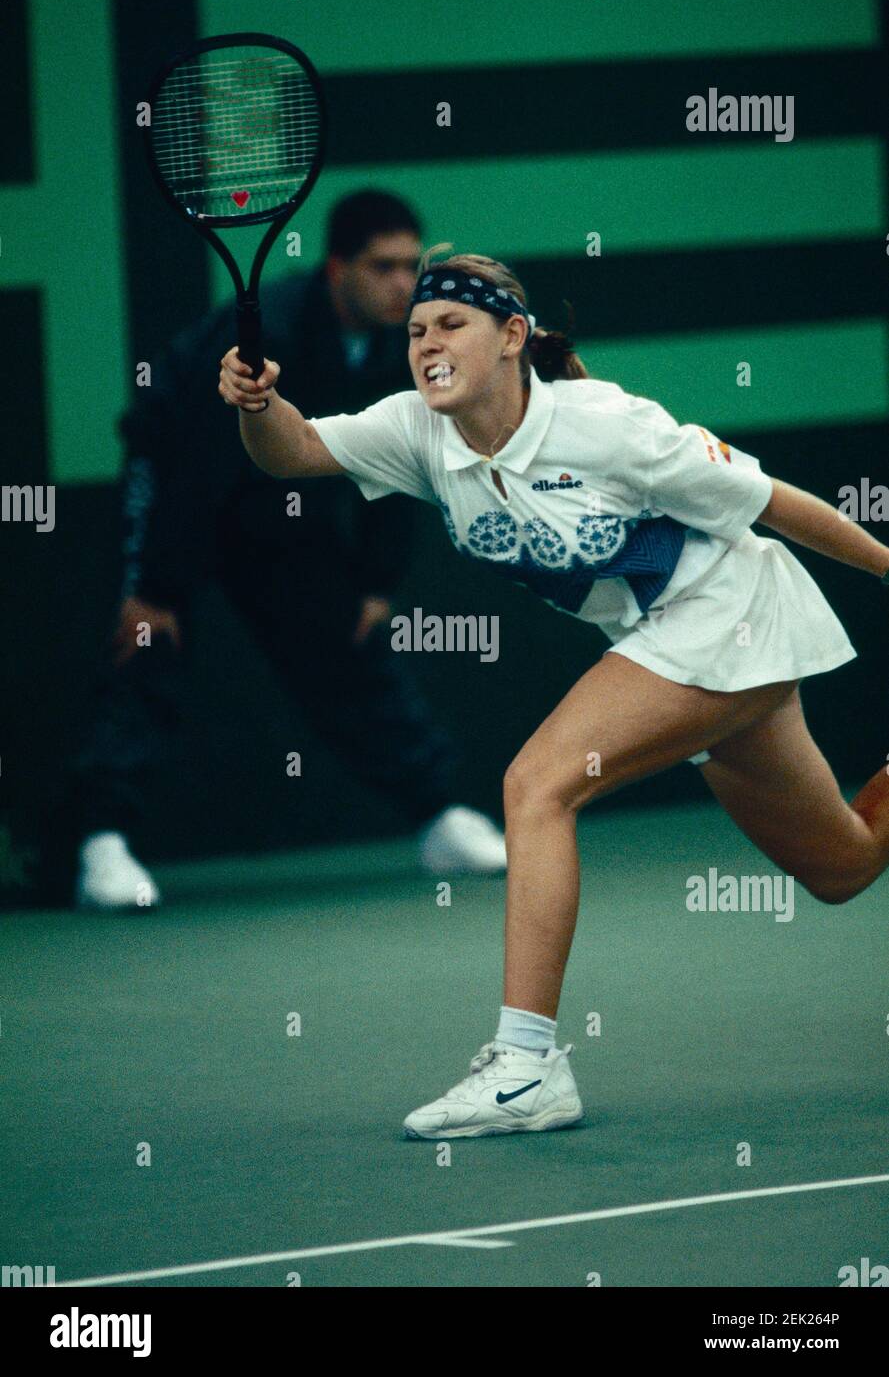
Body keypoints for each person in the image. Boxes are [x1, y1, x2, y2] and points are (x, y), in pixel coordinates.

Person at [218, 242, 889, 1140]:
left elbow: (770, 500)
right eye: (415, 330)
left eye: (450, 323)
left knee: (536, 787)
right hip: (664, 637)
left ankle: (526, 1069)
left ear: (511, 337)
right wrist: (258, 406)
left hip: (729, 614)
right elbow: (292, 451)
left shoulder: (610, 427)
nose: (427, 344)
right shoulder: (418, 427)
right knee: (843, 866)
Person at [70, 199, 507, 910]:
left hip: (278, 499)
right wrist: (153, 586)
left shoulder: (407, 342)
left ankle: (438, 818)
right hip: (184, 477)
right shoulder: (269, 328)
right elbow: (196, 463)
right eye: (383, 267)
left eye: (411, 266)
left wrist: (374, 581)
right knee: (148, 641)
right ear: (338, 269)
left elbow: (398, 457)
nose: (404, 284)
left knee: (346, 637)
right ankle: (99, 843)